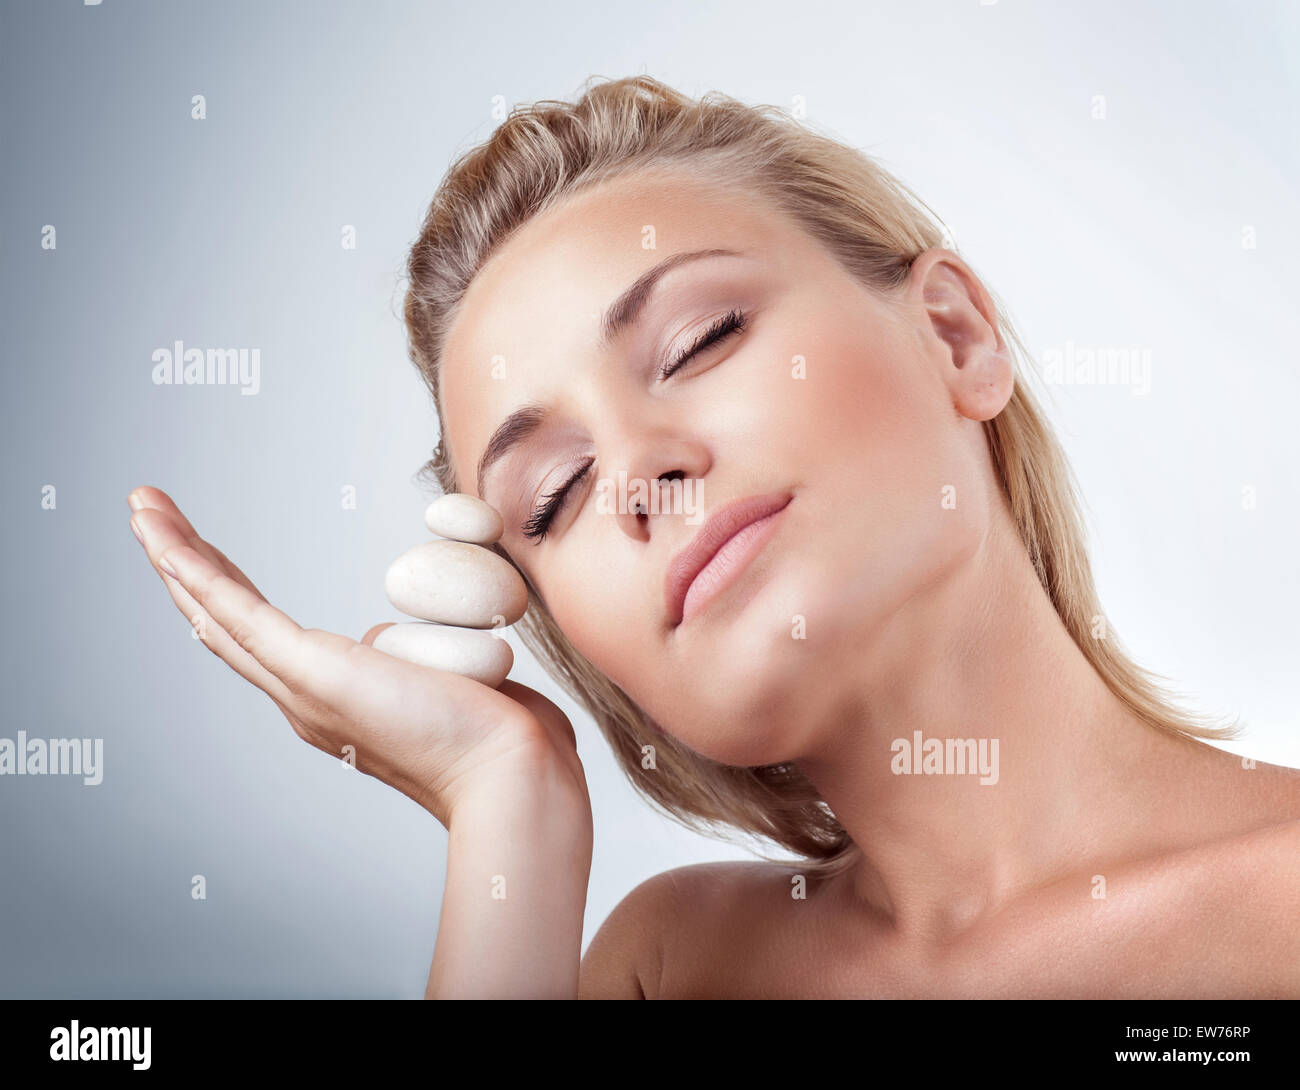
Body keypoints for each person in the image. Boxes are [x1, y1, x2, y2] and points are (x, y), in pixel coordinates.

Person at [127, 76, 1300, 999]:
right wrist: (506, 812)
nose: (636, 474)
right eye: (554, 495)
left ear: (951, 336)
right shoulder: (663, 970)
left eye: (700, 340)